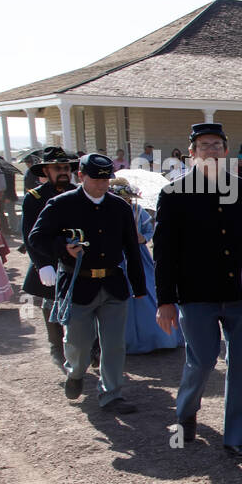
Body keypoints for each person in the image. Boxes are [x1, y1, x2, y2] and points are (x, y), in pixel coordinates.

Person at [153, 122, 242, 461]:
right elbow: (165, 252)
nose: (211, 150)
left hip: (239, 296)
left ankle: (236, 436)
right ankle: (185, 414)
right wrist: (165, 300)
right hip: (196, 295)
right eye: (204, 146)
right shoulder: (173, 195)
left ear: (226, 152)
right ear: (192, 153)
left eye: (216, 145)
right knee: (201, 362)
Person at [28, 153, 146, 413]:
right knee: (79, 344)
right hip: (77, 284)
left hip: (113, 283)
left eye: (106, 179)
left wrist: (139, 286)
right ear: (80, 176)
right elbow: (36, 238)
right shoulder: (61, 204)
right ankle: (75, 372)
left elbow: (131, 248)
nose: (102, 184)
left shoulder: (119, 206)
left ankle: (111, 394)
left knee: (114, 344)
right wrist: (62, 248)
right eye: (96, 179)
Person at [20, 148, 78, 369]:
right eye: (57, 168)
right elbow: (29, 235)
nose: (63, 172)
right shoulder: (35, 198)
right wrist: (42, 264)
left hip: (75, 258)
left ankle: (86, 347)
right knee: (52, 302)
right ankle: (56, 345)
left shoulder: (77, 192)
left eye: (66, 168)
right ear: (46, 170)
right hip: (49, 259)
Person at [115, 180, 182, 355]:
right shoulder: (110, 211)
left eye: (128, 199)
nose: (126, 202)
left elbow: (150, 231)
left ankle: (156, 336)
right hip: (118, 257)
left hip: (138, 256)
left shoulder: (138, 212)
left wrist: (141, 238)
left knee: (147, 291)